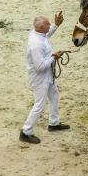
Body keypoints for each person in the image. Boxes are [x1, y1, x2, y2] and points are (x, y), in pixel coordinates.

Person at [18, 12, 70, 144]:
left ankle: (54, 122)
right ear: (40, 27)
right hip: (39, 78)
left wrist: (56, 25)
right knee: (40, 104)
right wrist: (54, 57)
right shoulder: (36, 44)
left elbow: (46, 36)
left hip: (47, 75)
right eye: (48, 24)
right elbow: (40, 66)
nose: (50, 24)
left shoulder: (38, 34)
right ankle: (26, 131)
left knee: (54, 95)